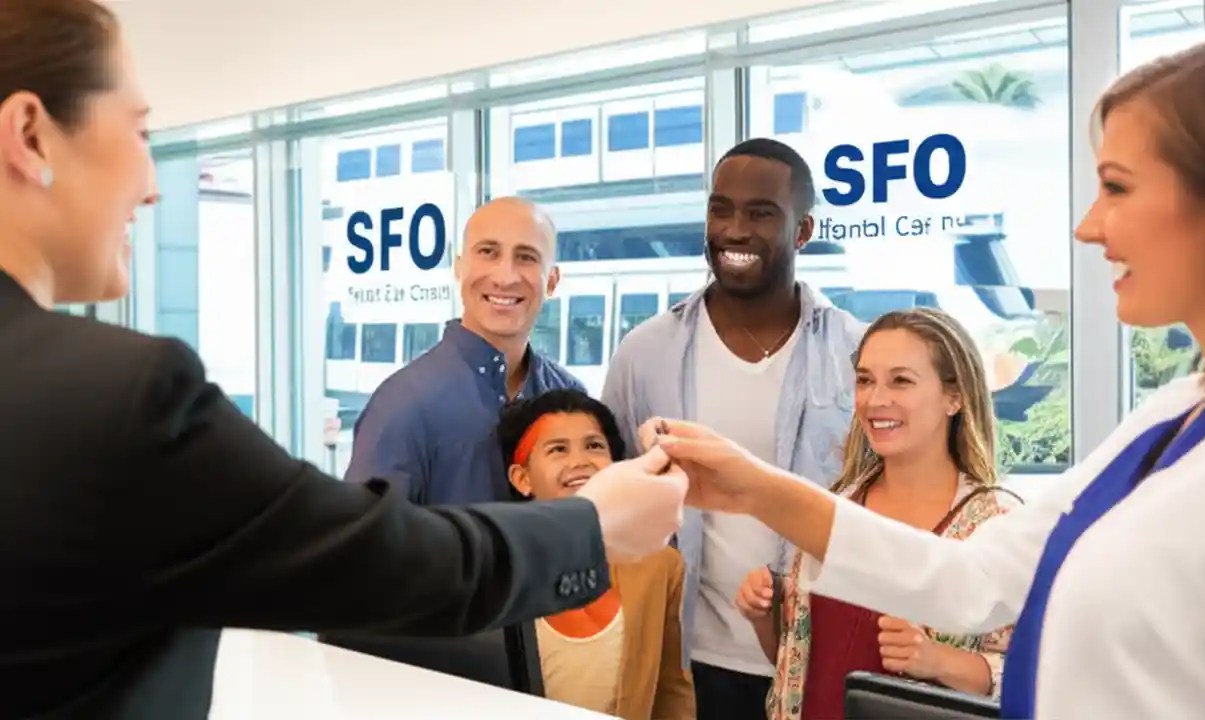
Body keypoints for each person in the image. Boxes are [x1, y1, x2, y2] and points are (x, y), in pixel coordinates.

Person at [0, 2, 685, 718]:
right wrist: (592, 524)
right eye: (140, 132)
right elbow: (368, 561)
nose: (153, 183)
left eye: (526, 258)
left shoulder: (560, 389)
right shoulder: (127, 395)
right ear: (30, 135)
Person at [641, 18, 1205, 719]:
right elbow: (968, 577)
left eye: (1118, 188)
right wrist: (754, 488)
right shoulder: (1177, 410)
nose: (1088, 226)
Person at [602, 137, 864, 720]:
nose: (735, 229)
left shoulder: (853, 352)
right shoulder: (644, 354)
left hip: (815, 662)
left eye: (761, 213)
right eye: (721, 209)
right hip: (688, 663)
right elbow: (611, 496)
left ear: (803, 232)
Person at [734, 308, 1019, 719]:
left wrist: (937, 660)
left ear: (954, 397)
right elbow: (800, 660)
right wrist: (765, 614)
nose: (875, 399)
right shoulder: (835, 509)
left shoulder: (997, 525)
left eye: (900, 380)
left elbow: (1035, 677)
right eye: (865, 380)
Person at [344, 195, 584, 505]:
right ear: (459, 268)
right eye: (488, 252)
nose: (505, 276)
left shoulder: (570, 397)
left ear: (552, 281)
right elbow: (362, 545)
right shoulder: (402, 407)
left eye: (526, 257)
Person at [497, 390, 695, 720]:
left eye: (594, 446)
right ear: (522, 478)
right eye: (557, 449)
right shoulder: (499, 571)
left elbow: (672, 688)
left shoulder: (660, 566)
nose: (580, 461)